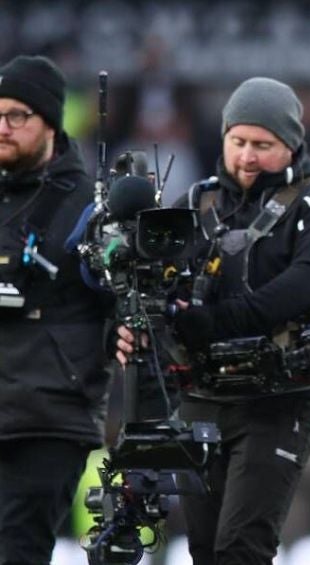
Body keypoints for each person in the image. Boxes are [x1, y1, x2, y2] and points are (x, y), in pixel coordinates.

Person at [116, 77, 310, 564]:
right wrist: (129, 327)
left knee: (241, 548)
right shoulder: (195, 203)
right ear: (223, 138)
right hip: (203, 396)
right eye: (239, 141)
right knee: (204, 549)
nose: (248, 156)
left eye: (263, 145)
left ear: (291, 146)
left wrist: (215, 320)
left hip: (279, 398)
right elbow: (152, 284)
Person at [0, 55, 112, 564]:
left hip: (48, 414)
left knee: (18, 552)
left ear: (50, 122)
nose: (3, 127)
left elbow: (125, 303)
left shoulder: (90, 208)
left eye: (17, 116)